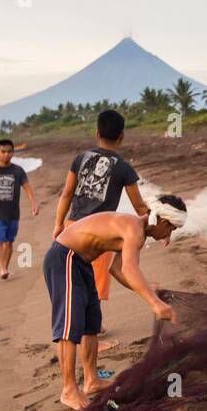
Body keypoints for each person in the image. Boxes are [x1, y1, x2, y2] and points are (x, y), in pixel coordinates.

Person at [43, 196, 186, 411]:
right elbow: (129, 269)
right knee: (69, 327)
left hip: (81, 263)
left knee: (91, 324)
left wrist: (148, 289)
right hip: (65, 258)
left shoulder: (135, 230)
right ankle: (68, 390)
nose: (168, 236)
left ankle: (91, 380)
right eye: (171, 229)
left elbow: (117, 270)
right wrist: (155, 303)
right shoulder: (134, 229)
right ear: (163, 222)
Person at [52, 109, 151, 313]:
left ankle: (88, 330)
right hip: (99, 232)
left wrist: (58, 224)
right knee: (95, 285)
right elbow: (139, 206)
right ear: (122, 135)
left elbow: (67, 193)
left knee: (77, 279)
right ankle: (94, 334)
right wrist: (154, 225)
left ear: (97, 133)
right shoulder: (124, 168)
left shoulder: (81, 158)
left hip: (73, 228)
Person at [0, 139, 39, 279]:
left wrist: (34, 204)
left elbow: (27, 188)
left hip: (13, 214)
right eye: (3, 152)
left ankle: (5, 266)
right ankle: (3, 269)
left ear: (13, 153)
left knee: (9, 242)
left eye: (9, 152)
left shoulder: (18, 171)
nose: (6, 154)